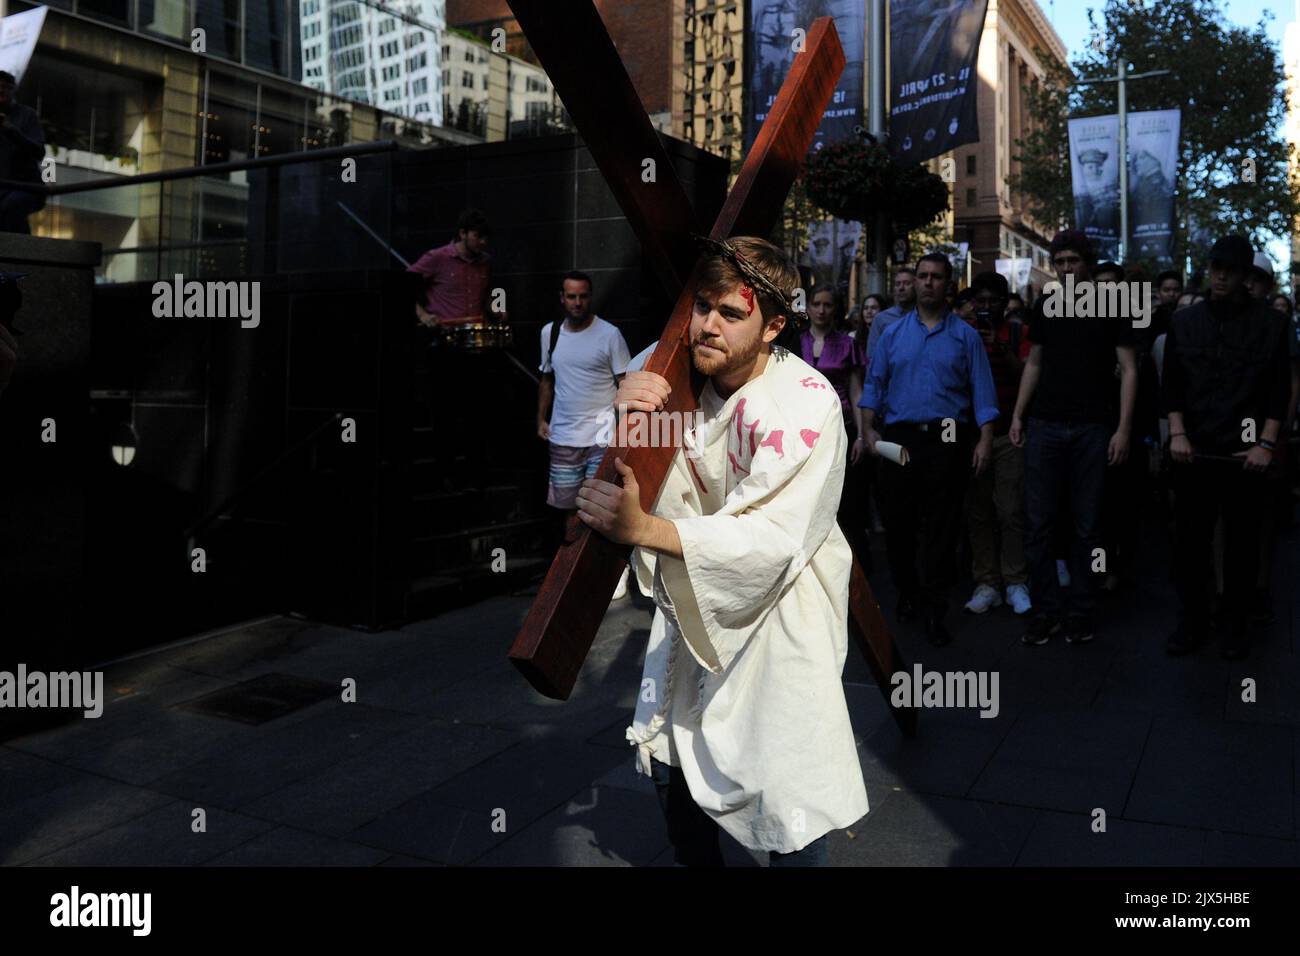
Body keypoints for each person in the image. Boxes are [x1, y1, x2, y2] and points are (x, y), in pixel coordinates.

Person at [580, 235, 868, 866]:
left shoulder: (809, 404)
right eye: (703, 307)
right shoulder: (671, 375)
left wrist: (645, 533)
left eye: (731, 314)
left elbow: (774, 538)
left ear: (773, 326)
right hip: (689, 609)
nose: (708, 325)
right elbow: (638, 476)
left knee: (785, 794)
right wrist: (627, 413)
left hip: (778, 618)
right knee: (671, 775)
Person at [1162, 235, 1291, 660]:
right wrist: (1178, 434)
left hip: (1244, 453)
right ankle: (1192, 622)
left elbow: (1277, 390)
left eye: (1229, 270)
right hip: (1194, 451)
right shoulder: (1185, 323)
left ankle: (1235, 626)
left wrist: (1266, 443)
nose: (1219, 276)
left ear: (1244, 276)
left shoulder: (1271, 325)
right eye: (1215, 267)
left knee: (1241, 547)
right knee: (1190, 545)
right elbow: (1173, 387)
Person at [860, 253, 999, 646]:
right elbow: (874, 385)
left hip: (949, 435)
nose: (928, 283)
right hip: (898, 437)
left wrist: (985, 439)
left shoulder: (966, 337)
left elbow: (982, 392)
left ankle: (936, 609)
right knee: (898, 524)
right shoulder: (892, 334)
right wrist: (868, 430)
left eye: (937, 277)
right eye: (922, 276)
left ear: (948, 284)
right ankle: (907, 593)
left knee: (942, 526)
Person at [1010, 229, 1138, 647]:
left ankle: (1081, 609)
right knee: (1039, 523)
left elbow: (1130, 370)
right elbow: (1034, 363)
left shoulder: (1114, 305)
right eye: (1059, 262)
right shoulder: (1047, 303)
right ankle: (1046, 611)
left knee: (1088, 526)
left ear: (1087, 263)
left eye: (1072, 262)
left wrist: (1123, 428)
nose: (1065, 269)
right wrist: (1018, 414)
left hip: (1093, 428)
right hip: (1045, 423)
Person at [537, 271, 632, 594]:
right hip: (563, 438)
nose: (578, 302)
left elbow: (625, 384)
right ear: (562, 299)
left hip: (601, 438)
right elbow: (547, 380)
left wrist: (625, 428)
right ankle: (574, 569)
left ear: (590, 297)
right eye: (571, 297)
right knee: (569, 508)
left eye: (583, 296)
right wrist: (541, 419)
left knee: (600, 507)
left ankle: (611, 573)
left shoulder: (609, 335)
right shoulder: (549, 334)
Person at [961, 271, 1032, 615]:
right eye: (981, 301)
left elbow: (1028, 377)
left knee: (1010, 510)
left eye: (993, 301)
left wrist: (1000, 346)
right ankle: (986, 582)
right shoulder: (963, 332)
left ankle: (1016, 581)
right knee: (978, 511)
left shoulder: (1019, 332)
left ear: (1005, 302)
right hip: (972, 435)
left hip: (1009, 433)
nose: (986, 307)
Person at [801, 285, 870, 563]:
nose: (821, 310)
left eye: (827, 305)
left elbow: (856, 392)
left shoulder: (847, 344)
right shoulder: (796, 341)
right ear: (807, 308)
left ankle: (855, 567)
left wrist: (862, 436)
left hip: (840, 424)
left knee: (846, 501)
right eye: (816, 304)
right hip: (803, 427)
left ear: (835, 310)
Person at [407, 208, 496, 328]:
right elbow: (402, 286)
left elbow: (487, 293)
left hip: (476, 335)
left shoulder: (485, 261)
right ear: (462, 233)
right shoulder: (438, 257)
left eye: (485, 237)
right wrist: (423, 315)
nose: (483, 241)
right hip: (443, 336)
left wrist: (497, 308)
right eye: (478, 236)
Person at [0, 70, 46, 234]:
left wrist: (10, 130)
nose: (1, 90)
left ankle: (22, 253)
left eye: (6, 87)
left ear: (13, 90)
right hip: (5, 189)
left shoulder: (27, 115)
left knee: (10, 207)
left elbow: (39, 151)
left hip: (26, 187)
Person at [866, 267, 917, 358]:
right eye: (897, 284)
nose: (901, 288)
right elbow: (872, 356)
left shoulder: (925, 316)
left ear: (916, 286)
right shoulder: (881, 319)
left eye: (907, 283)